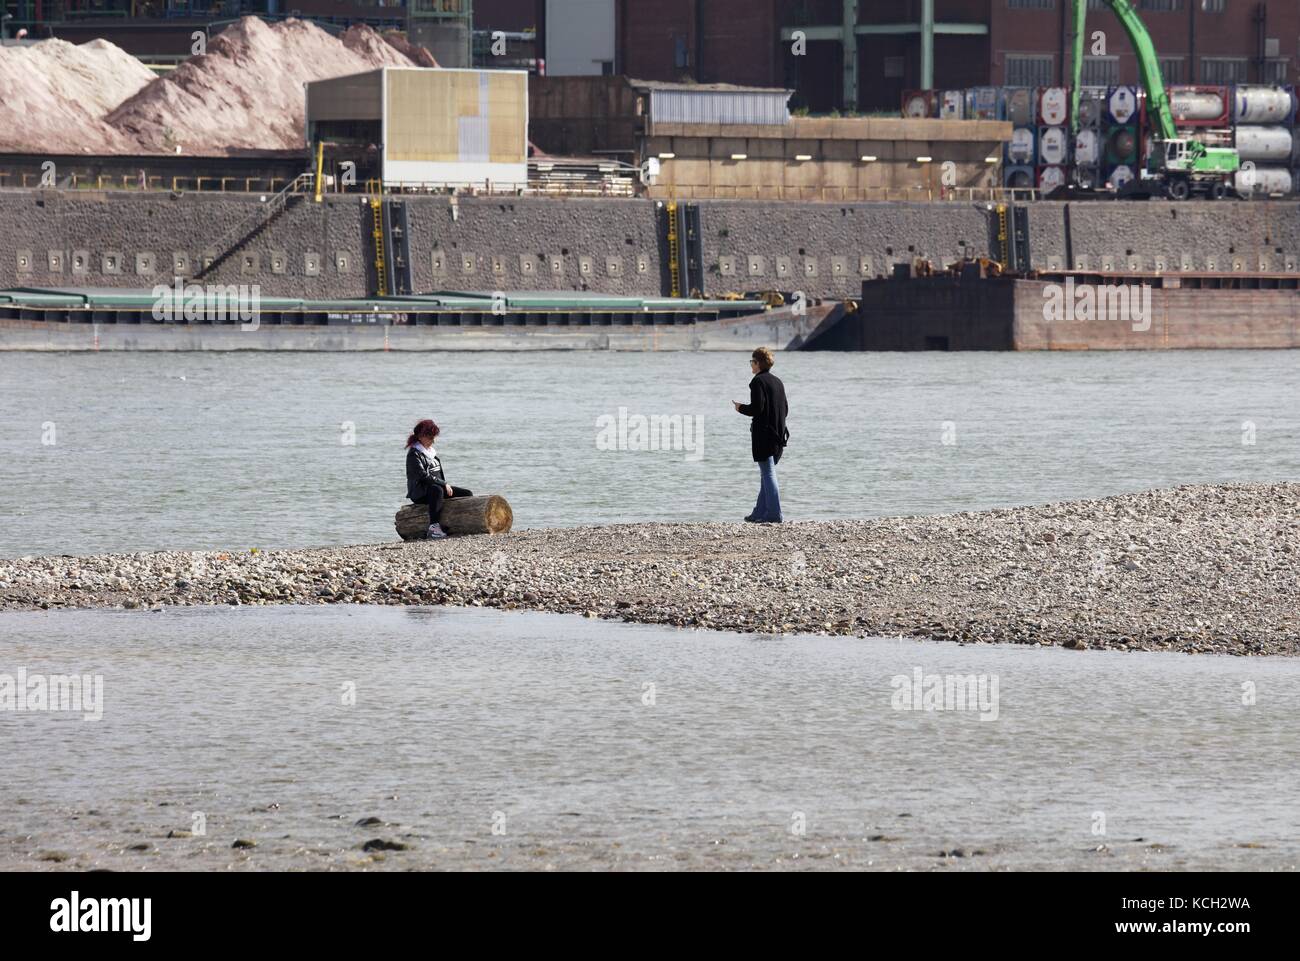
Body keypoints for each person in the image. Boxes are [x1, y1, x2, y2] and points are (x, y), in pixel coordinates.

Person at [732, 346, 789, 523]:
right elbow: (785, 409)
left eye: (752, 362)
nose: (751, 365)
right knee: (767, 473)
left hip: (764, 435)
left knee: (768, 474)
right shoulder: (777, 381)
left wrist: (740, 408)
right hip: (779, 435)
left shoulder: (757, 382)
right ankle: (759, 512)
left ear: (758, 363)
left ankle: (774, 514)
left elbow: (757, 408)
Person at [405, 418, 473, 540]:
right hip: (420, 493)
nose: (433, 441)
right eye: (431, 437)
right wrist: (444, 484)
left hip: (436, 489)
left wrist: (443, 485)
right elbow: (422, 475)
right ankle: (433, 528)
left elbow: (437, 475)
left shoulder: (431, 453)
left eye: (434, 437)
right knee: (437, 490)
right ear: (421, 436)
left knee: (467, 493)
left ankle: (460, 524)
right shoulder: (414, 454)